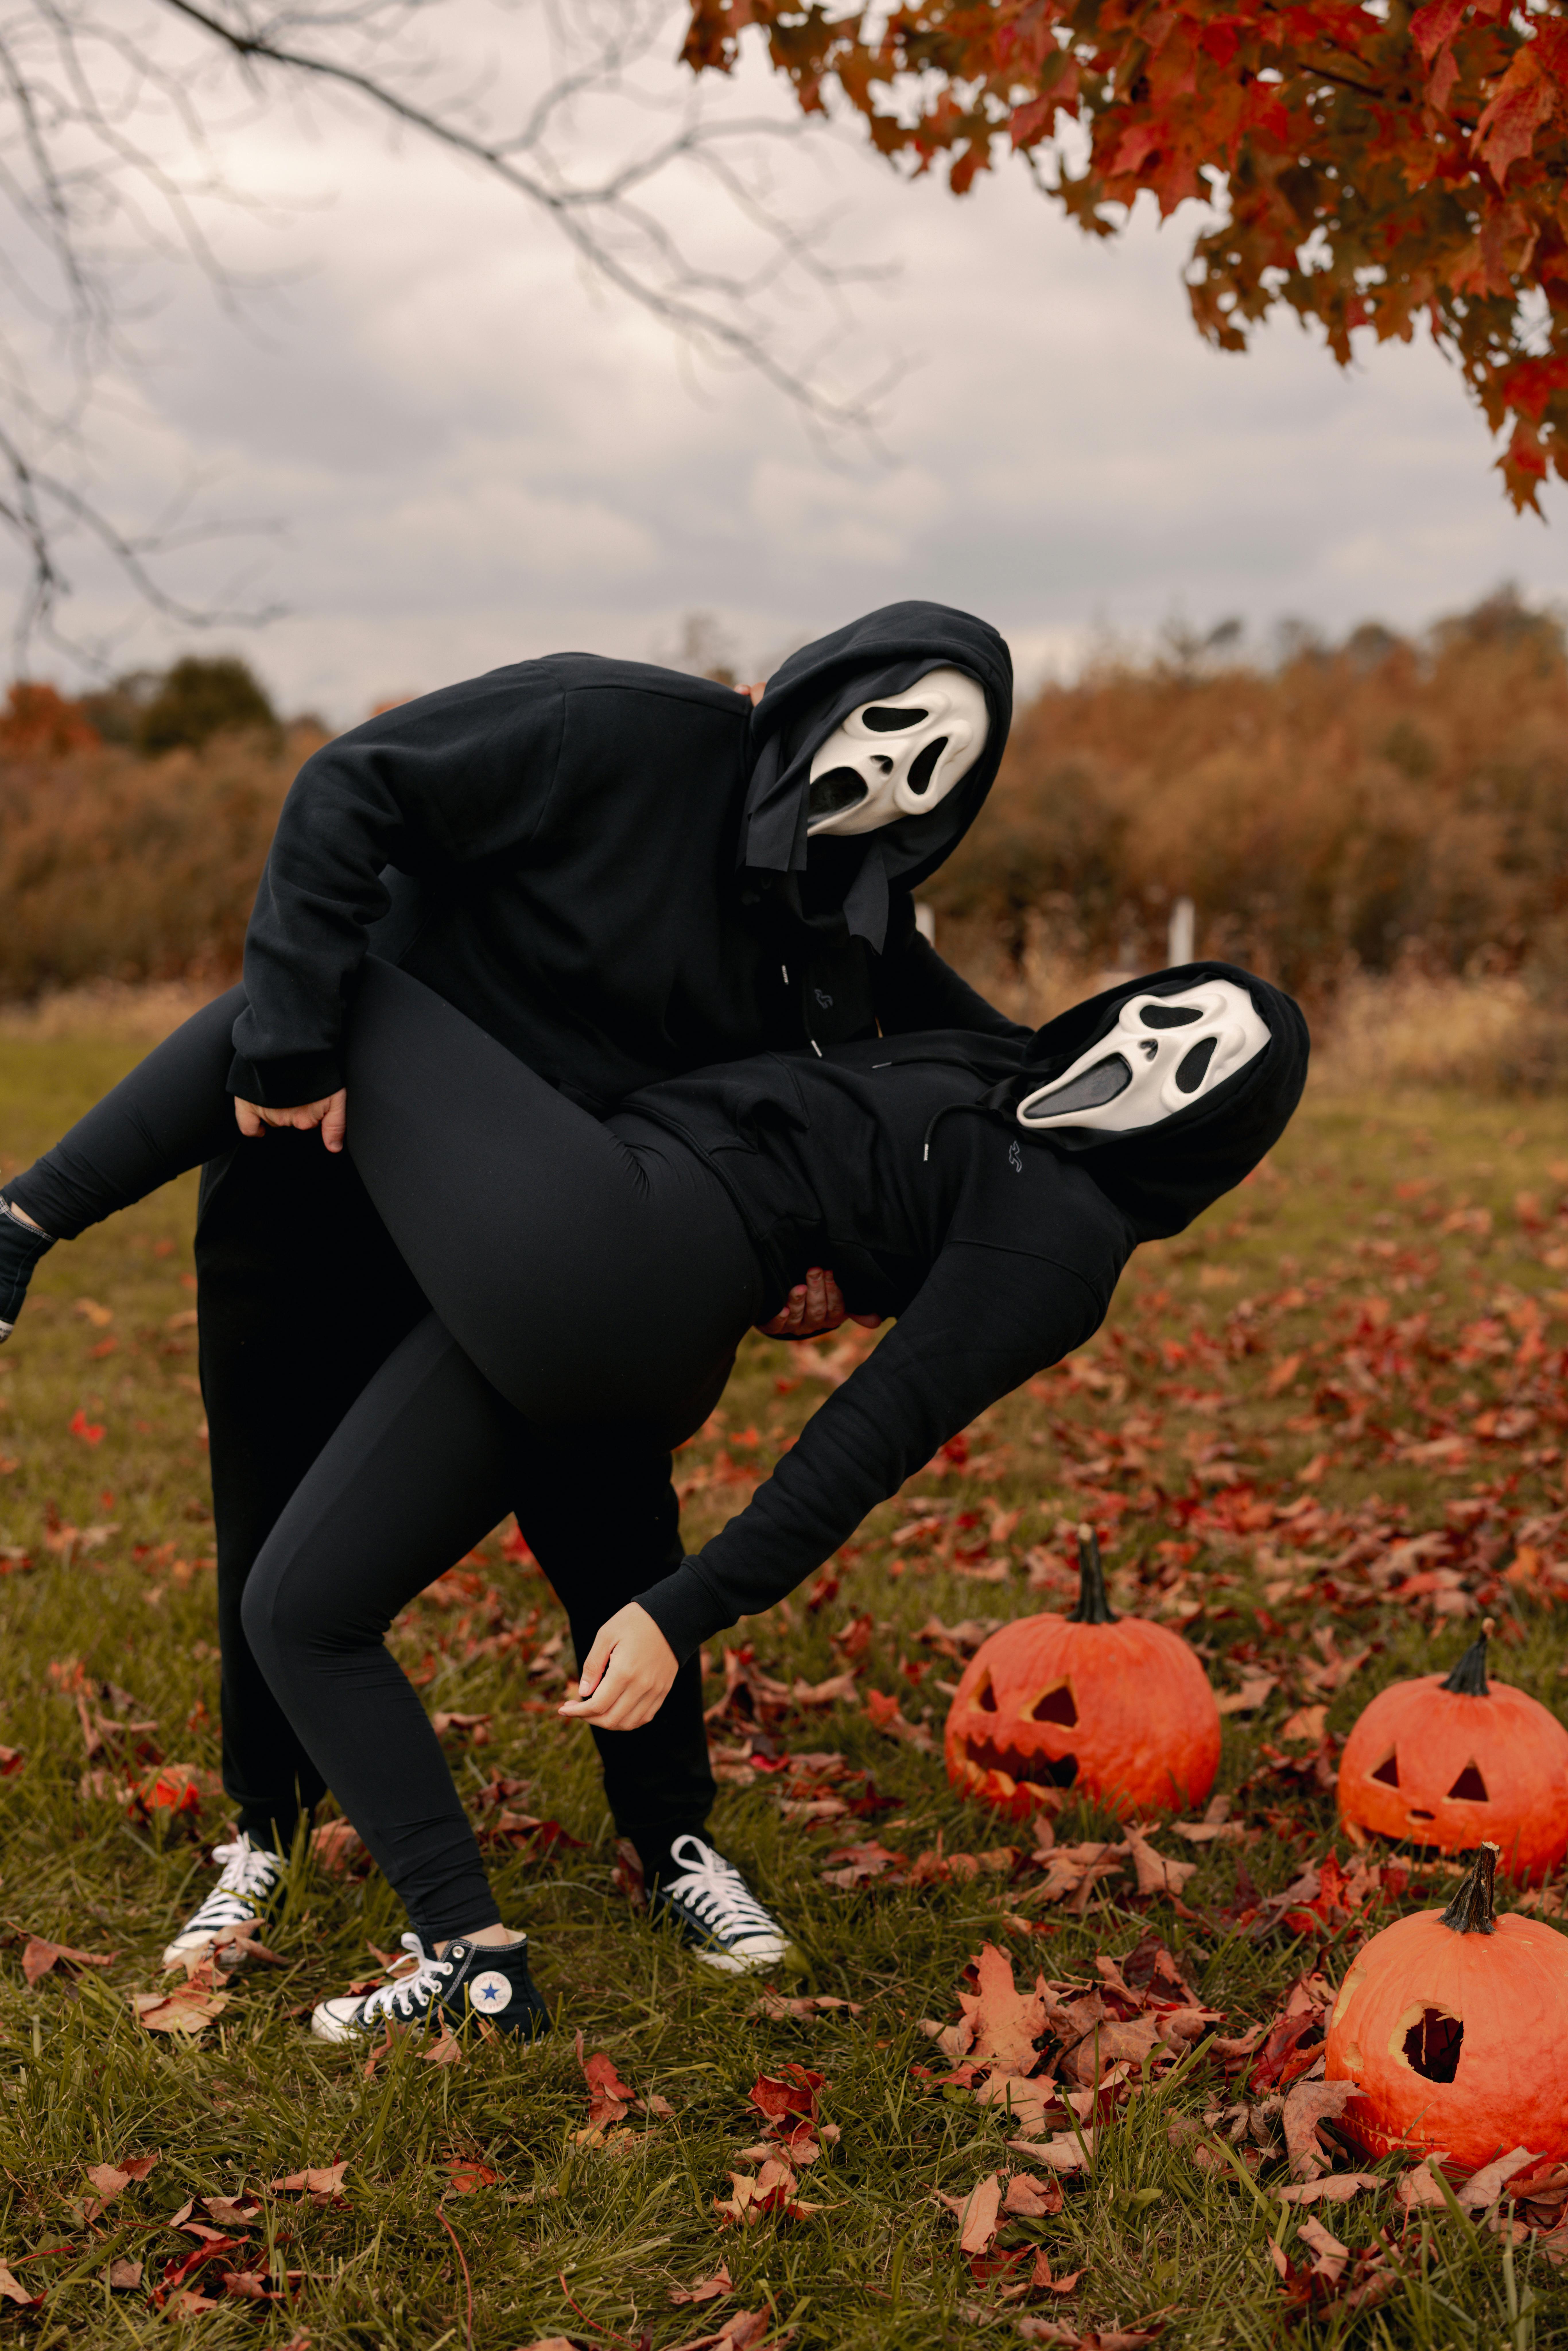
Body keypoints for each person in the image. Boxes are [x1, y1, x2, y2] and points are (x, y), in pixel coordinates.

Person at [0, 957, 1307, 2038]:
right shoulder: (990, 1058)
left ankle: (23, 1223)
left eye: (1198, 1070)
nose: (1152, 1054)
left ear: (1208, 1139)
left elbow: (875, 1431)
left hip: (633, 1240)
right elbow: (845, 927)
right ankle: (480, 1952)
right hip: (604, 1258)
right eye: (1165, 1015)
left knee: (322, 995)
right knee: (301, 1605)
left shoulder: (1063, 1238)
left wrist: (682, 1611)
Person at [15, 607, 1023, 1977]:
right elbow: (346, 786)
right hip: (323, 1170)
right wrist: (300, 1034)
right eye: (884, 720)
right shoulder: (610, 725)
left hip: (550, 1253)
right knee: (272, 1521)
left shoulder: (836, 922)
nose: (888, 774)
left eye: (937, 769)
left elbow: (952, 1082)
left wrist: (852, 1273)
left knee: (618, 1528)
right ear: (815, 684)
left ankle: (668, 1833)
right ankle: (266, 1826)